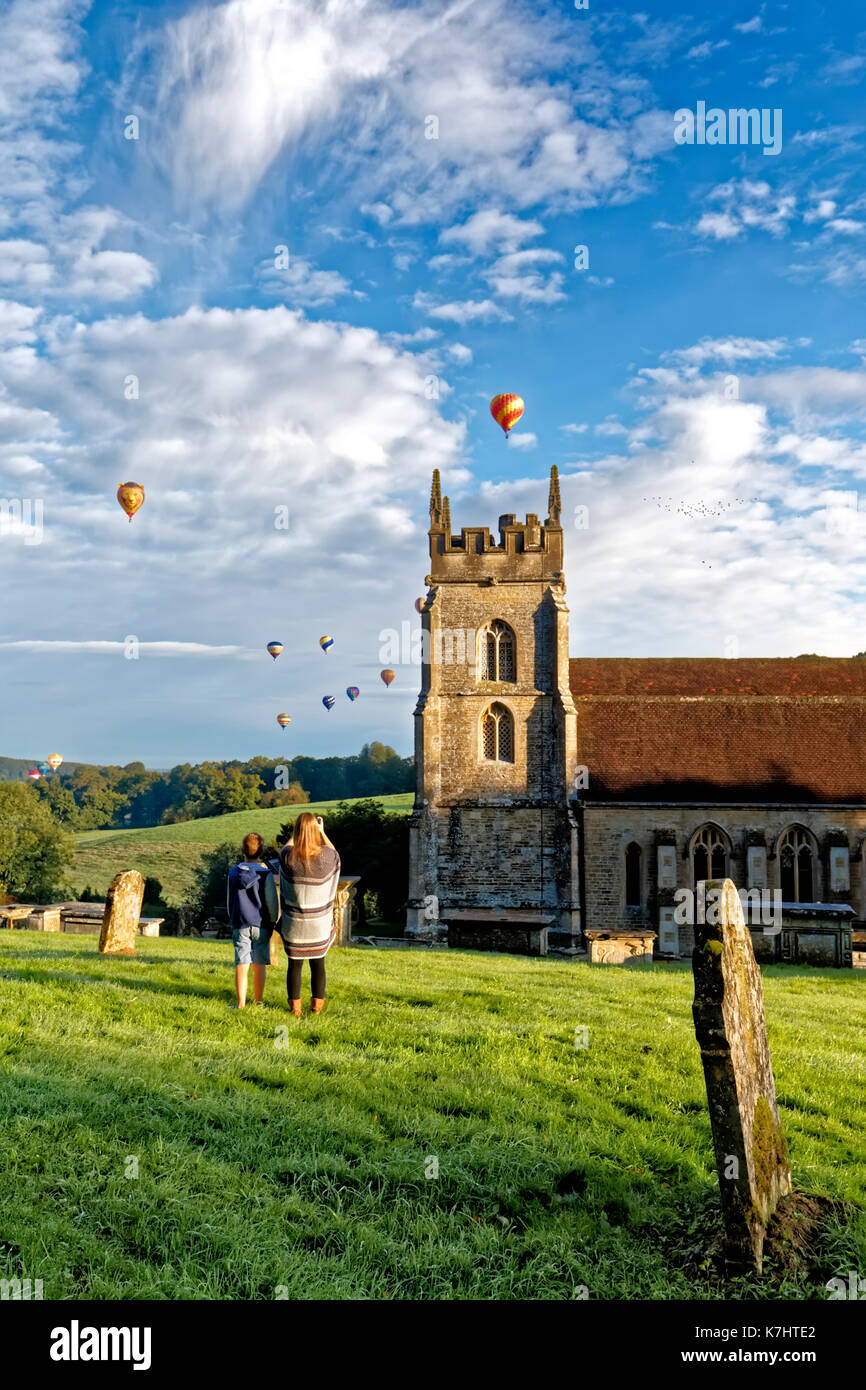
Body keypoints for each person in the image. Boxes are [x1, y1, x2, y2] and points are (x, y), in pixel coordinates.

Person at [278, 812, 341, 1016]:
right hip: (318, 925)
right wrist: (322, 832)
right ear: (315, 830)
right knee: (318, 964)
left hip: (294, 925)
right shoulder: (325, 857)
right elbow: (335, 853)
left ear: (297, 831)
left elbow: (284, 848)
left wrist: (297, 834)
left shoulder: (288, 857)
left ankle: (295, 1009)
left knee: (294, 966)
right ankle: (316, 1007)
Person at [226, 832, 279, 1009]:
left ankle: (240, 1003)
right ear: (262, 851)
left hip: (240, 923)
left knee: (241, 962)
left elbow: (229, 900)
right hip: (262, 924)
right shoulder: (266, 874)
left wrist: (233, 919)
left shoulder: (234, 872)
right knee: (260, 962)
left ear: (242, 850)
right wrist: (272, 922)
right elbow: (271, 901)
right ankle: (258, 1001)